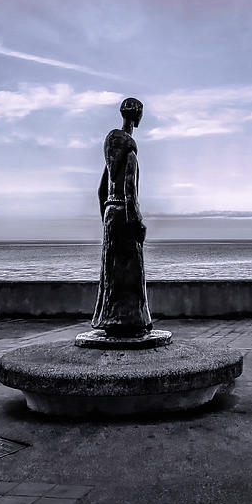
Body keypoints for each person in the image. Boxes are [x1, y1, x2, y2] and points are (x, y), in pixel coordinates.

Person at [91, 97, 153, 337]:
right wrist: (136, 222)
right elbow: (130, 189)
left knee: (110, 271)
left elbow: (100, 190)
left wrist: (106, 218)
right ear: (137, 115)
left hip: (110, 211)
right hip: (124, 212)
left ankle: (108, 317)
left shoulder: (110, 150)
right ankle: (132, 320)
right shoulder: (129, 149)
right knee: (131, 270)